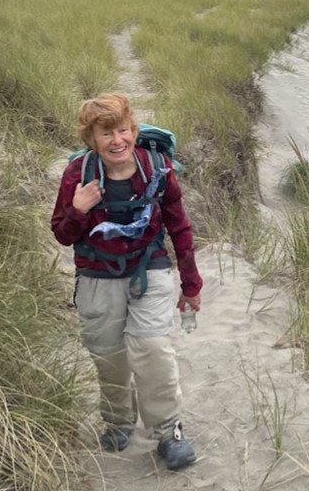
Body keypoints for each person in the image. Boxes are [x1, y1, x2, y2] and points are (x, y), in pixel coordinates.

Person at [51, 93, 202, 471]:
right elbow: (63, 234)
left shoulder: (158, 168)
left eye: (123, 130)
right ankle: (118, 421)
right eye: (106, 134)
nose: (117, 140)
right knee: (109, 354)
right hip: (96, 273)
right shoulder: (78, 174)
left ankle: (168, 432)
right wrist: (78, 209)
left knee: (151, 347)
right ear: (91, 139)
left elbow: (179, 225)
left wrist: (191, 283)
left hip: (148, 267)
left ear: (133, 129)